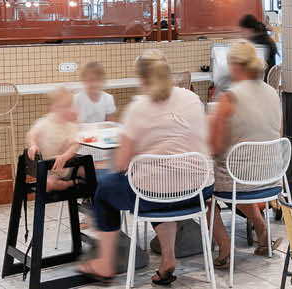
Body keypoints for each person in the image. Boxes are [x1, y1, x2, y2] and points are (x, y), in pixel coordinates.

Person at [79, 55, 212, 284]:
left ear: (142, 79)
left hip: (159, 193)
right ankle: (167, 259)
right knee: (155, 186)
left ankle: (105, 264)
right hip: (199, 191)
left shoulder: (139, 108)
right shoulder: (191, 98)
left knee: (105, 191)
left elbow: (121, 164)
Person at [207, 40, 282, 267]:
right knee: (240, 175)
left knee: (203, 191)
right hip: (271, 177)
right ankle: (261, 230)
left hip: (239, 179)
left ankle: (224, 244)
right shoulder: (272, 92)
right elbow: (278, 134)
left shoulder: (229, 97)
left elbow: (215, 147)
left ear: (236, 66)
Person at [24, 93, 86, 193]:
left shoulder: (70, 125)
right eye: (64, 106)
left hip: (67, 167)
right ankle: (73, 183)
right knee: (48, 185)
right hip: (49, 171)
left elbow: (75, 145)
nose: (68, 109)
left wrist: (65, 156)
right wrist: (33, 145)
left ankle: (82, 186)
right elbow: (32, 134)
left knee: (90, 171)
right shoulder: (44, 123)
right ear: (53, 107)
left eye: (69, 106)